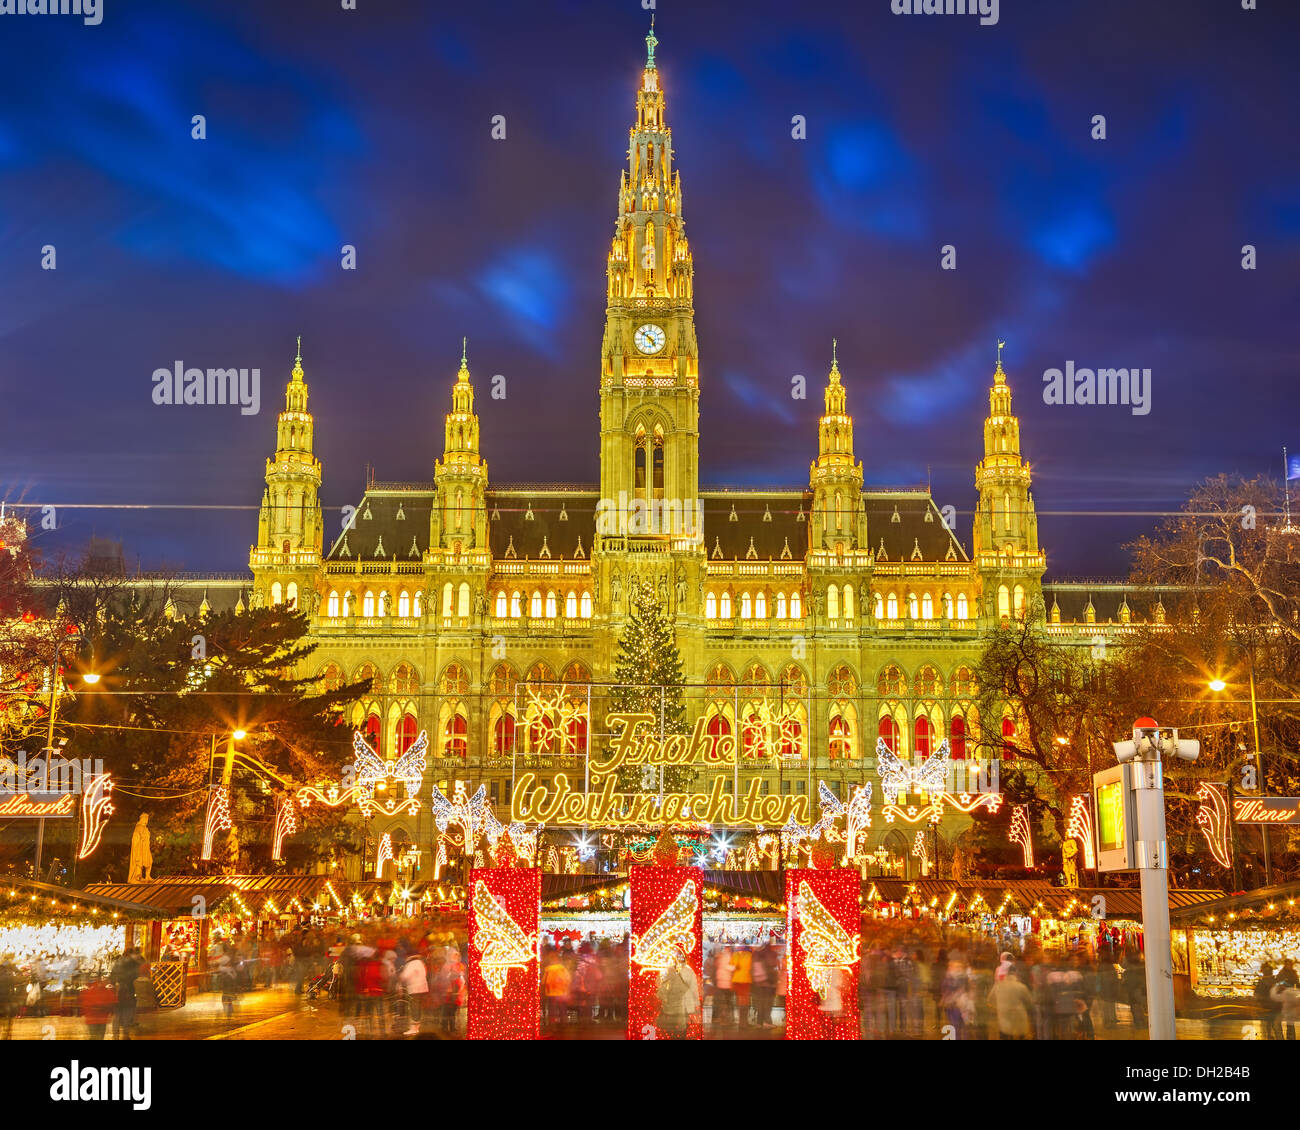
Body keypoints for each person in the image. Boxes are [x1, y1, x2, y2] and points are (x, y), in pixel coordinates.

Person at [656, 946, 700, 1039]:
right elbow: (693, 987)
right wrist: (695, 1003)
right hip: (683, 1003)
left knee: (673, 1027)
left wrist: (662, 996)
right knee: (681, 1027)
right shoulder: (688, 970)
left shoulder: (670, 969)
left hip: (674, 1002)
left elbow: (661, 983)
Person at [987, 970, 1032, 1039]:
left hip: (1003, 1016)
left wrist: (998, 1007)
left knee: (1005, 1033)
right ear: (1016, 976)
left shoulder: (998, 985)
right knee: (1020, 1035)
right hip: (1018, 1016)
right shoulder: (1021, 986)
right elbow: (1029, 1002)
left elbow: (990, 1000)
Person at [111, 948, 142, 1040]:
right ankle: (125, 1033)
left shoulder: (118, 962)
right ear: (131, 954)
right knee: (127, 1013)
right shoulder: (134, 964)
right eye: (137, 954)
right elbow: (136, 976)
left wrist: (114, 985)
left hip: (118, 991)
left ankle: (116, 1035)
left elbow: (112, 976)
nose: (138, 956)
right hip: (129, 991)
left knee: (117, 1014)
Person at [398, 951, 429, 1035]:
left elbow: (405, 975)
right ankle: (416, 1027)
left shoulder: (411, 964)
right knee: (417, 1007)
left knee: (414, 1008)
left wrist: (400, 977)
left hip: (414, 988)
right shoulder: (420, 962)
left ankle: (414, 1029)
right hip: (422, 988)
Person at [1272, 972, 1300, 1041]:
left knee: (1278, 1025)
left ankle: (1283, 1038)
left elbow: (1275, 997)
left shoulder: (1286, 991)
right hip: (1286, 1010)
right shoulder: (1291, 990)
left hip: (1283, 1010)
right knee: (1289, 1025)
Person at [731, 945, 753, 1029]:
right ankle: (744, 1023)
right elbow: (752, 968)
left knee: (740, 1003)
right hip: (746, 981)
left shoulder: (734, 955)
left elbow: (731, 967)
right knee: (745, 1003)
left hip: (737, 981)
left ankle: (741, 1023)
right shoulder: (750, 955)